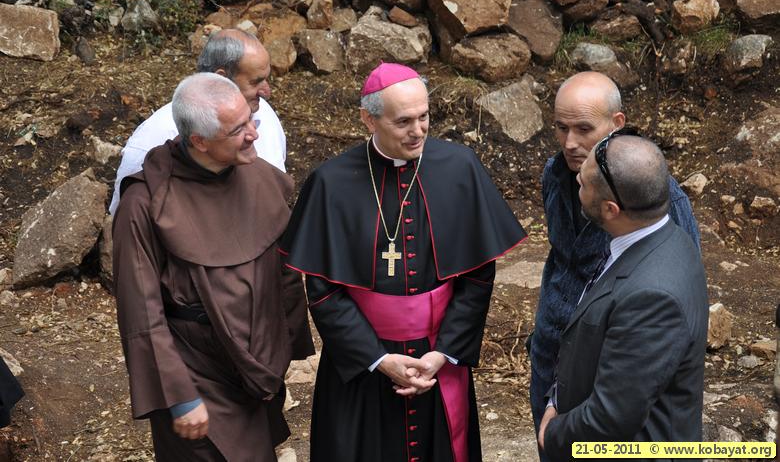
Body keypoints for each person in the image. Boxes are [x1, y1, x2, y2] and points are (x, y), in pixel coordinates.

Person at [280, 63, 527, 462]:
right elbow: (324, 293)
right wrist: (378, 358)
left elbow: (478, 277)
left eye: (424, 117)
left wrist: (443, 353)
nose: (418, 131)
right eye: (403, 121)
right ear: (369, 118)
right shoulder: (331, 183)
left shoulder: (459, 168)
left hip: (437, 360)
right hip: (361, 366)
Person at [112, 73, 313, 461]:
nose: (255, 133)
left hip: (255, 367)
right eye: (237, 129)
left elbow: (284, 274)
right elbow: (142, 314)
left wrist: (283, 349)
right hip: (195, 372)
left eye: (250, 120)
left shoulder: (259, 176)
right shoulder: (143, 205)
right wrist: (178, 396)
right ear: (199, 141)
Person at [529, 71, 700, 460]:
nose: (570, 143)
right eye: (561, 127)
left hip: (607, 378)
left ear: (616, 124)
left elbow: (673, 297)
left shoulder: (656, 203)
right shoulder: (557, 175)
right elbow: (562, 259)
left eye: (584, 128)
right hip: (550, 362)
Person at [109, 28, 286, 214]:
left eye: (267, 79)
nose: (267, 92)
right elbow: (128, 218)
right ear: (221, 78)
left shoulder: (262, 111)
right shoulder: (153, 140)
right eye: (255, 82)